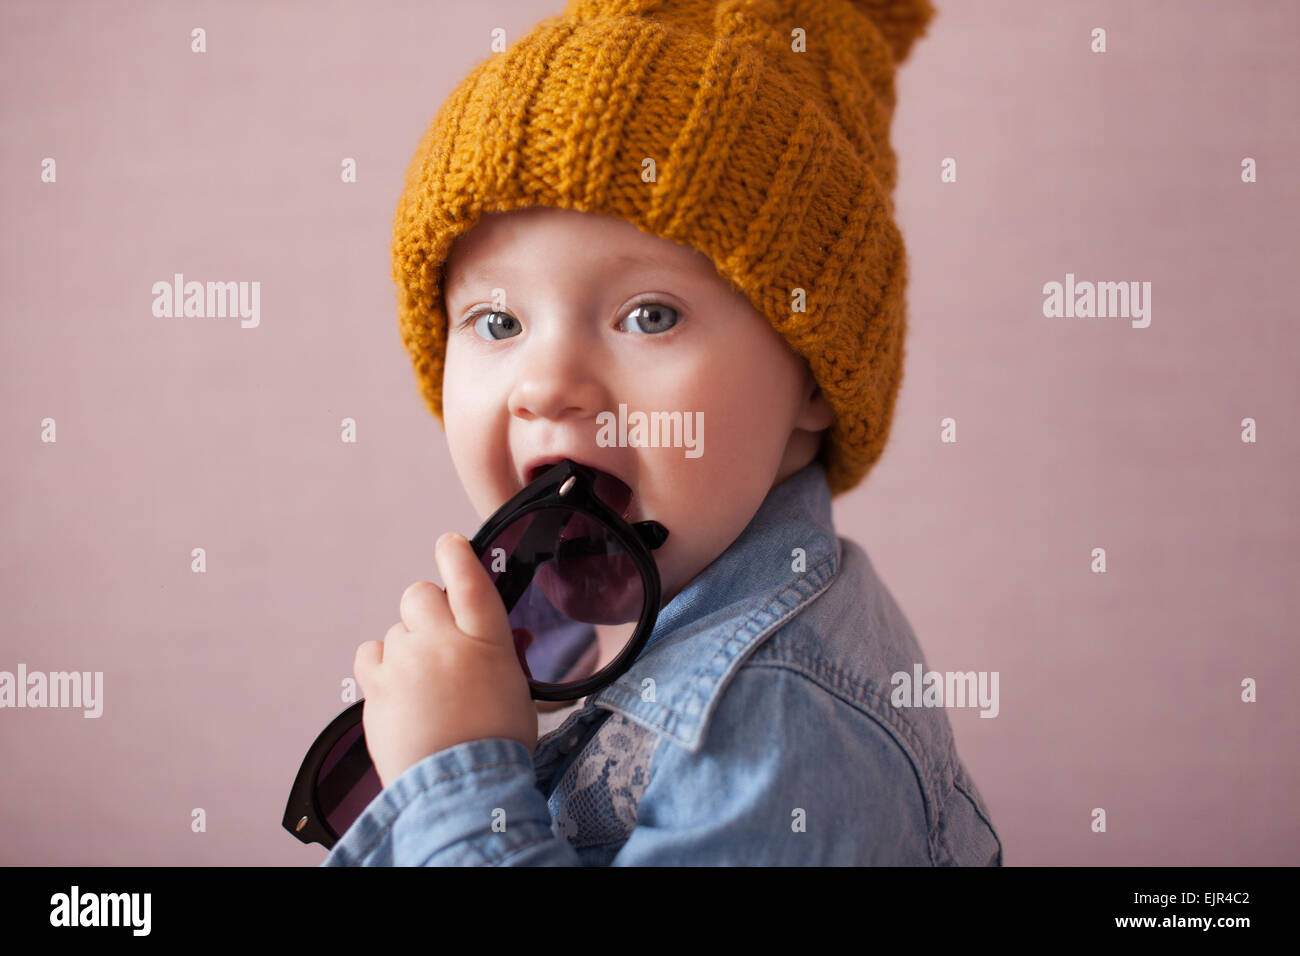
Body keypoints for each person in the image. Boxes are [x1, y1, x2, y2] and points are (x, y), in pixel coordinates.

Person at [322, 0, 1002, 865]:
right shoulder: (631, 622)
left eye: (649, 315)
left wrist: (457, 780)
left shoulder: (776, 719)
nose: (547, 385)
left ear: (813, 371)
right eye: (498, 323)